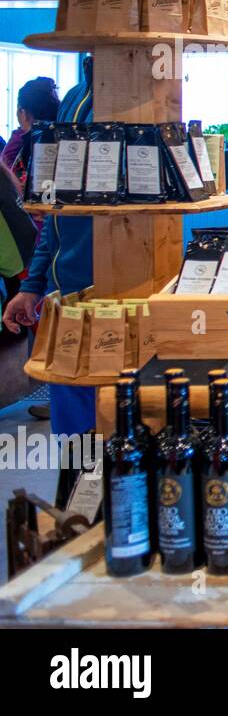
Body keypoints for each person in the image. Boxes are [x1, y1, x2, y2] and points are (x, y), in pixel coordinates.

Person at [3, 57, 94, 447]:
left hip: (128, 297)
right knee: (76, 446)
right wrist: (34, 283)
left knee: (126, 447)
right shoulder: (74, 99)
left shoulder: (148, 100)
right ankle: (81, 503)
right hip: (68, 297)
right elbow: (53, 209)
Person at [2, 75, 62, 182]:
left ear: (22, 112)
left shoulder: (21, 144)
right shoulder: (65, 137)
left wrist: (19, 133)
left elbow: (6, 181)